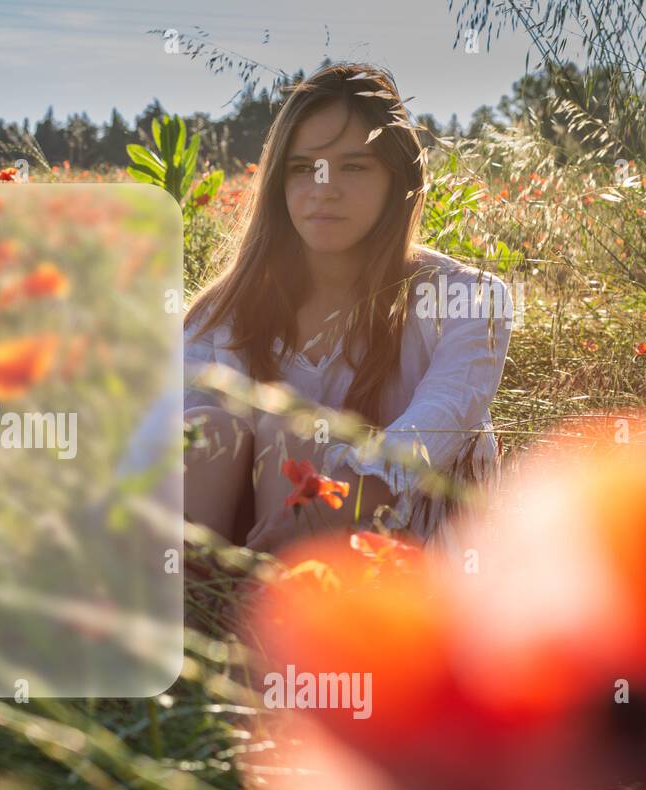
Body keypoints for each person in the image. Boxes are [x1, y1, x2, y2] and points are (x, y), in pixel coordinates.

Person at [173, 62, 513, 558]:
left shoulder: (468, 299)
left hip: (408, 552)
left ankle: (296, 617)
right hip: (245, 544)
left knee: (297, 430)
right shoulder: (220, 316)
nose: (323, 187)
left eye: (353, 166)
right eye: (303, 167)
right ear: (278, 184)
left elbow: (432, 428)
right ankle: (195, 613)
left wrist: (324, 508)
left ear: (397, 180)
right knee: (209, 430)